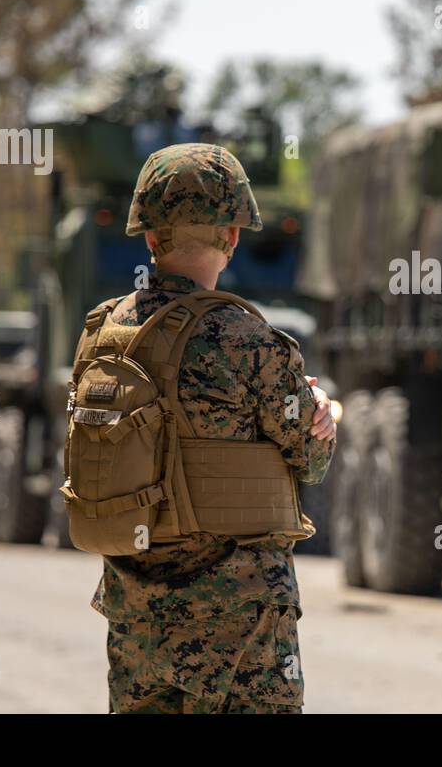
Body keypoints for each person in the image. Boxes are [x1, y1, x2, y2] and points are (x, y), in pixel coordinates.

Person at [75, 142, 334, 713]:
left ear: (149, 236)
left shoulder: (102, 334)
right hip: (240, 623)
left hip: (135, 610)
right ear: (234, 234)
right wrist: (321, 414)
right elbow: (309, 462)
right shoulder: (252, 341)